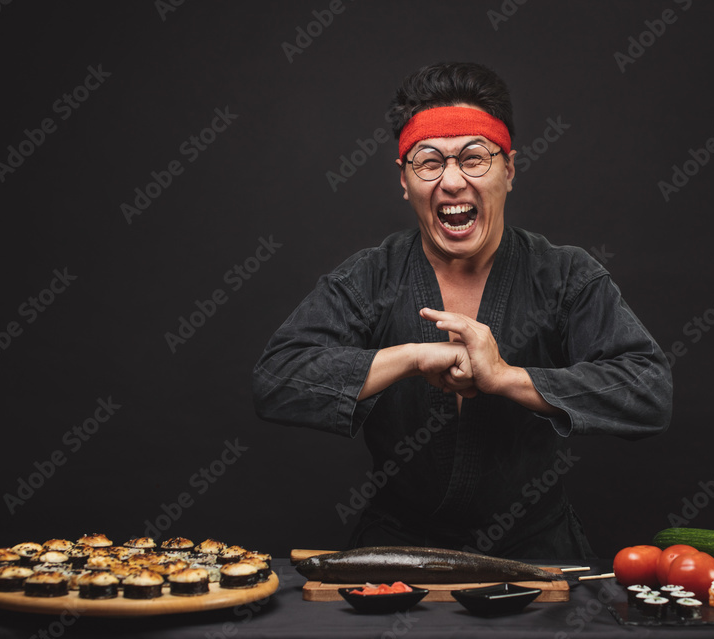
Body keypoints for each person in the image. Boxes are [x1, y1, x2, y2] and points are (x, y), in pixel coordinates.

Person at [253, 62, 672, 559]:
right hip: (397, 553)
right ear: (405, 180)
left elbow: (649, 391)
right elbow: (275, 379)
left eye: (475, 158)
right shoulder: (371, 278)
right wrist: (408, 358)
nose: (452, 182)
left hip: (536, 555)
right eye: (429, 162)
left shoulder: (564, 276)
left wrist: (507, 377)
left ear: (509, 170)